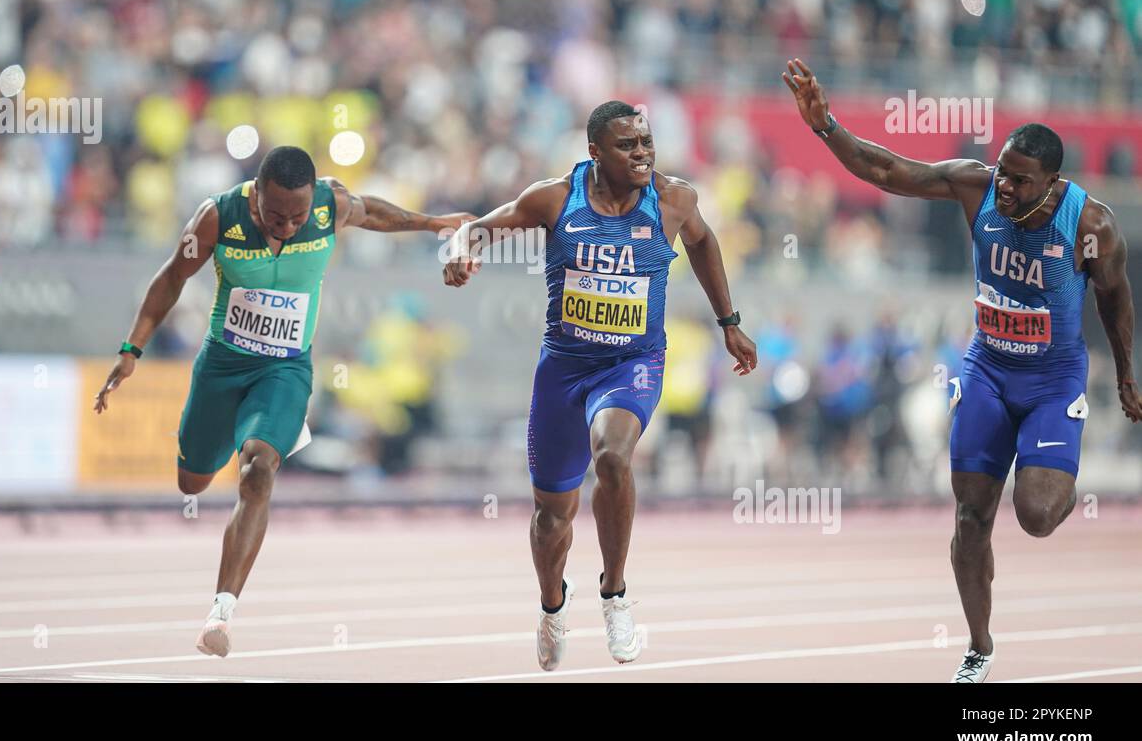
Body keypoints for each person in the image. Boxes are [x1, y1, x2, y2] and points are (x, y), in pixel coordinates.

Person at [783, 58, 1140, 682]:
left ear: (1053, 182)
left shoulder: (1091, 225)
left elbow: (1114, 299)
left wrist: (1127, 374)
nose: (1005, 187)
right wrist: (825, 126)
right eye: (1003, 172)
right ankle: (979, 646)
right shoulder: (976, 186)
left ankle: (1058, 481)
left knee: (1035, 514)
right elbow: (887, 170)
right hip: (987, 374)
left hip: (1053, 383)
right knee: (971, 519)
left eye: (1021, 182)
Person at [94, 145, 470, 657]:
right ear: (257, 195)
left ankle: (221, 612)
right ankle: (225, 438)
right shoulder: (217, 216)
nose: (288, 227)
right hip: (222, 366)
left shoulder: (327, 205)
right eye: (275, 217)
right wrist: (131, 350)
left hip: (286, 368)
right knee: (192, 481)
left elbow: (374, 212)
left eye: (297, 217)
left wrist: (432, 224)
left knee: (259, 471)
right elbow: (171, 278)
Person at [443, 101, 757, 671]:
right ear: (595, 152)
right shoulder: (555, 199)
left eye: (645, 143)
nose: (641, 154)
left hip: (632, 365)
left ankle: (614, 594)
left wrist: (729, 324)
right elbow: (480, 228)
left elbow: (704, 242)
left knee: (613, 458)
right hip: (563, 370)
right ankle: (552, 605)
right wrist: (463, 252)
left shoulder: (675, 199)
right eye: (626, 146)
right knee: (550, 519)